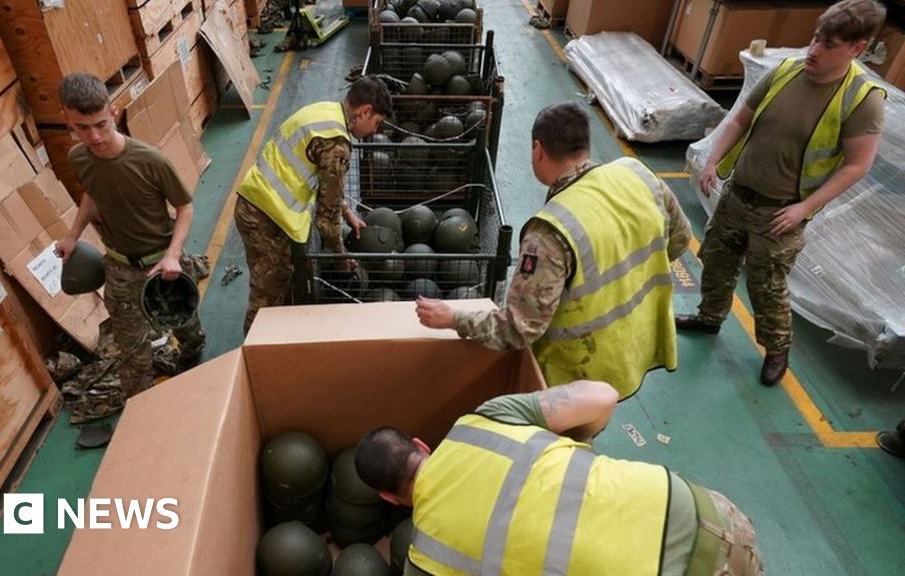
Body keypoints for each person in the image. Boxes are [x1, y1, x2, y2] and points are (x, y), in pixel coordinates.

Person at [416, 103, 691, 400]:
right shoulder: (636, 173)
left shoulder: (551, 231)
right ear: (585, 144)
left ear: (538, 149)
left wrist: (453, 318)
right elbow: (680, 240)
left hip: (578, 373)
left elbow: (520, 328)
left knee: (565, 442)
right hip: (633, 348)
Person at [677, 0, 886, 387]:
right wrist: (712, 161)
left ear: (857, 49)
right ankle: (709, 317)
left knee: (767, 285)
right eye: (815, 38)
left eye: (829, 45)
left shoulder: (861, 99)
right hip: (738, 194)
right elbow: (741, 116)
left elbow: (858, 164)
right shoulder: (786, 71)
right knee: (718, 260)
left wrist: (804, 208)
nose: (814, 51)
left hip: (781, 212)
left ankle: (776, 349)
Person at [355, 382, 764, 576]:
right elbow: (602, 397)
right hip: (700, 509)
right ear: (420, 445)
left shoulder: (426, 560)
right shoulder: (484, 418)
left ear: (389, 499)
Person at [55, 72, 205, 405]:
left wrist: (174, 255)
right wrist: (72, 235)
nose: (93, 137)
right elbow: (92, 193)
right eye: (81, 128)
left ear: (114, 113)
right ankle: (143, 412)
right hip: (119, 267)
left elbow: (184, 207)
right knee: (132, 352)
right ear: (67, 120)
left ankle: (193, 349)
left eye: (100, 124)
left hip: (162, 264)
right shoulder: (78, 158)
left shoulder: (151, 161)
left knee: (185, 327)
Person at [235, 75, 392, 333]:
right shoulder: (337, 143)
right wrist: (341, 259)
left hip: (255, 203)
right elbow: (327, 220)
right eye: (377, 123)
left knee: (274, 280)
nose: (375, 131)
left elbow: (324, 184)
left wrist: (347, 211)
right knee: (267, 294)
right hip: (265, 217)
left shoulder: (324, 112)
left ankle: (271, 339)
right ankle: (255, 353)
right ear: (365, 111)